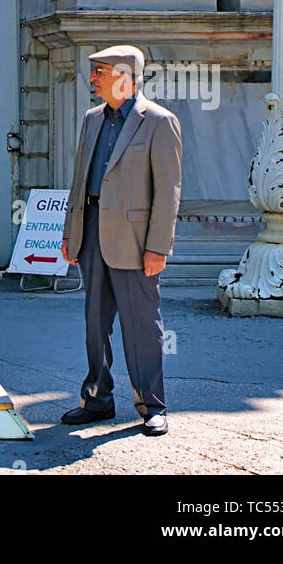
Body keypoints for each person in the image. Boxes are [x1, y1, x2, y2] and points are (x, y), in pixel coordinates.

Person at [59, 44, 182, 436]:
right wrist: (70, 233)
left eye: (100, 71)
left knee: (142, 323)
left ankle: (152, 404)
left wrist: (157, 246)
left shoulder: (160, 122)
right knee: (95, 323)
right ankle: (97, 399)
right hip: (92, 230)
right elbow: (80, 181)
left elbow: (169, 191)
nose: (92, 78)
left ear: (125, 77)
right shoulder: (92, 119)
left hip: (135, 240)